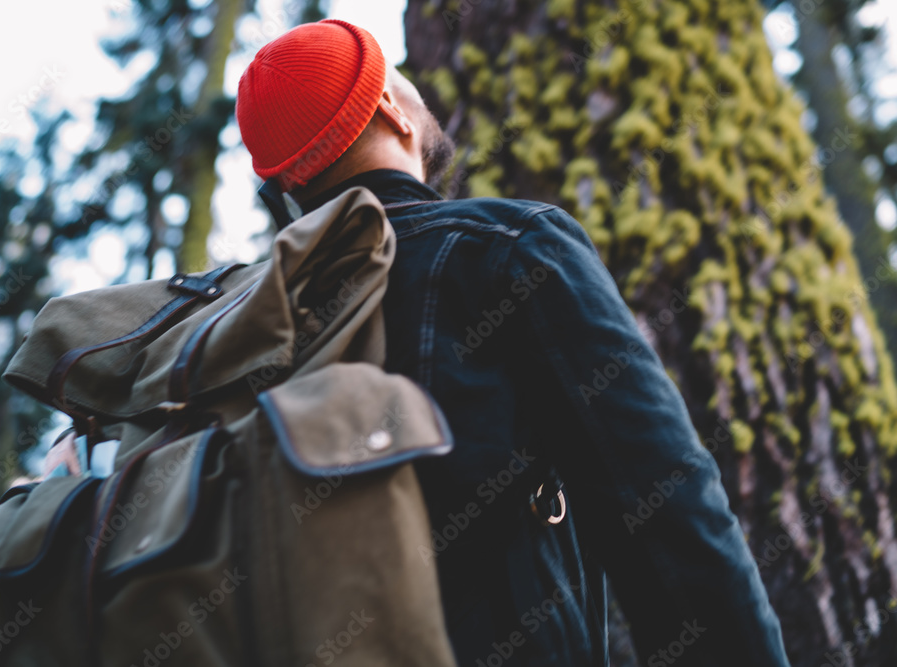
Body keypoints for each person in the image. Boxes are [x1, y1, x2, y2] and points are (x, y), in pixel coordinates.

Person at [235, 18, 792, 667]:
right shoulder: (503, 248)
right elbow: (669, 504)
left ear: (290, 183)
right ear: (391, 105)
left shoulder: (248, 324)